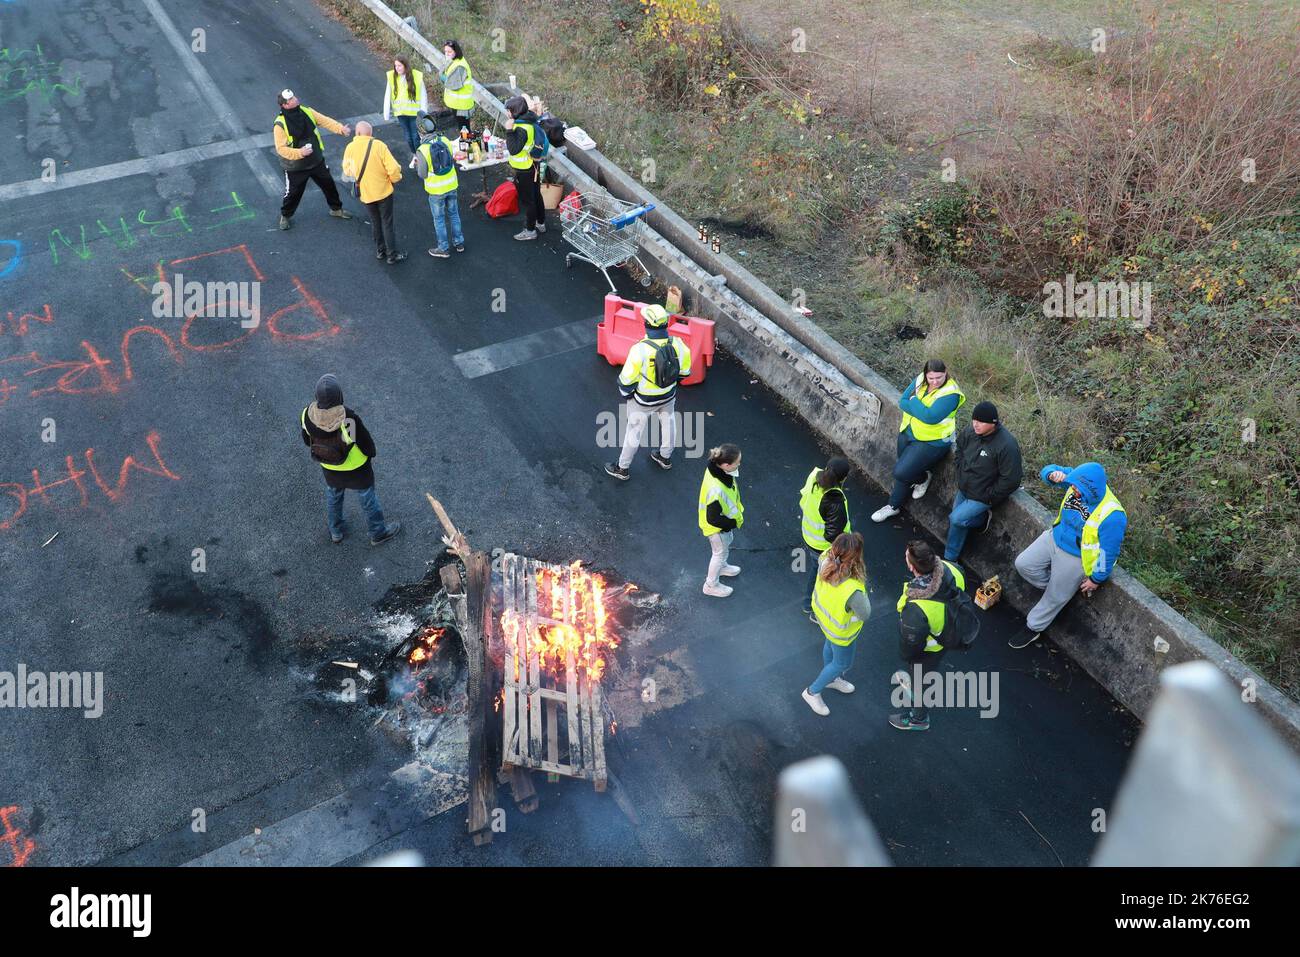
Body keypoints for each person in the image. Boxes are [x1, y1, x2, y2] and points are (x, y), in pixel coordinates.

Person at [1009, 462, 1127, 649]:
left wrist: (1096, 579)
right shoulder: (1077, 480)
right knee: (1023, 564)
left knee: (1055, 596)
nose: (1072, 489)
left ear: (1091, 491)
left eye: (1076, 489)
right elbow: (1047, 471)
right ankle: (1057, 593)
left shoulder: (1113, 516)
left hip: (1076, 556)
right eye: (1072, 485)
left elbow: (1109, 552)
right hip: (1054, 537)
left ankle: (1033, 627)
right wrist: (1051, 474)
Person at [300, 374, 401, 547]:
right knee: (367, 498)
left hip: (329, 466)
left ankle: (336, 531)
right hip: (357, 469)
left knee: (334, 495)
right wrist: (371, 453)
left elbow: (306, 440)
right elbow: (362, 441)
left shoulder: (307, 415)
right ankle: (378, 533)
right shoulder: (348, 418)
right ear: (339, 396)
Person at [891, 540, 978, 731]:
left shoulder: (915, 606)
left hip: (928, 649)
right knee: (924, 674)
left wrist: (907, 657)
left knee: (920, 681)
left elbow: (910, 643)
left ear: (912, 566)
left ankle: (919, 719)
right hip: (948, 635)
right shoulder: (952, 568)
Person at [604, 305, 692, 480]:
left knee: (634, 431)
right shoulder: (678, 344)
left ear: (646, 324)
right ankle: (665, 457)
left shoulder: (640, 349)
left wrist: (628, 395)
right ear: (666, 323)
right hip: (668, 395)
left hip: (643, 400)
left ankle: (622, 468)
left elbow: (626, 381)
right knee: (669, 422)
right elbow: (685, 372)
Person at [872, 358, 965, 522]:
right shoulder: (920, 379)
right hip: (908, 431)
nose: (935, 382)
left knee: (901, 471)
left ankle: (923, 479)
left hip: (933, 441)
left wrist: (914, 400)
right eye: (931, 378)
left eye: (939, 377)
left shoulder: (951, 395)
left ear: (946, 374)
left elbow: (930, 418)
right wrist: (920, 410)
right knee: (904, 470)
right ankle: (894, 506)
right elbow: (902, 402)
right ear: (925, 375)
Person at [801, 532, 871, 717]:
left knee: (830, 646)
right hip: (841, 631)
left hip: (825, 620)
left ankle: (832, 679)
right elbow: (865, 614)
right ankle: (812, 692)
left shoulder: (825, 557)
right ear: (855, 557)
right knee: (842, 662)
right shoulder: (852, 589)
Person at [943, 401, 1022, 561]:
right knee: (956, 523)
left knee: (956, 519)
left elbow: (1011, 479)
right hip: (965, 487)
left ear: (993, 423)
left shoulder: (1007, 445)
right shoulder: (970, 431)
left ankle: (950, 557)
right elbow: (959, 449)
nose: (975, 424)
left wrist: (989, 495)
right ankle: (951, 557)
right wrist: (960, 470)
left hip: (983, 495)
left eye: (981, 422)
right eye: (974, 420)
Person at [273, 89, 354, 230]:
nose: (295, 99)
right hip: (296, 167)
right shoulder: (279, 124)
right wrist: (300, 152)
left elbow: (324, 121)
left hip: (316, 161)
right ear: (285, 105)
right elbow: (281, 149)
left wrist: (341, 129)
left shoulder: (306, 111)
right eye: (291, 99)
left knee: (329, 185)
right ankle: (285, 215)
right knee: (293, 194)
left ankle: (336, 209)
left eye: (294, 96)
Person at [341, 121, 406, 264]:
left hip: (366, 194)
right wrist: (395, 179)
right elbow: (394, 169)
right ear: (370, 134)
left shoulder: (350, 148)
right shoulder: (379, 146)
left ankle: (380, 251)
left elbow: (347, 171)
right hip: (383, 192)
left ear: (357, 133)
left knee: (375, 222)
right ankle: (392, 255)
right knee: (387, 222)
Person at [798, 457, 852, 614]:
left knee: (817, 570)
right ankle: (811, 608)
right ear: (844, 478)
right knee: (822, 575)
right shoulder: (835, 500)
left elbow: (803, 499)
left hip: (809, 536)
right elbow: (833, 535)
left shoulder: (814, 475)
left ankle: (809, 605)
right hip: (822, 546)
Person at [411, 111, 465, 258]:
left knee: (439, 219)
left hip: (436, 191)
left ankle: (443, 248)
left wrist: (417, 165)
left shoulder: (422, 150)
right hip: (452, 185)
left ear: (421, 131)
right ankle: (459, 243)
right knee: (454, 215)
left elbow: (422, 174)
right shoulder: (445, 140)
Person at [697, 444, 743, 598]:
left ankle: (722, 567)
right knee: (719, 553)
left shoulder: (716, 470)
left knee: (724, 547)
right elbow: (713, 518)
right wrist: (730, 524)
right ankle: (710, 585)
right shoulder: (717, 488)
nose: (739, 464)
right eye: (737, 462)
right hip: (717, 529)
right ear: (726, 465)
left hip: (721, 528)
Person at [503, 95, 546, 241]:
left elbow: (514, 149)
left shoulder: (521, 128)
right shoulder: (530, 121)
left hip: (524, 169)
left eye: (508, 110)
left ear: (514, 111)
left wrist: (509, 130)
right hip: (533, 165)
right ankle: (540, 223)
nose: (507, 113)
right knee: (536, 195)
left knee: (528, 201)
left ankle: (530, 230)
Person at [382, 56, 428, 154]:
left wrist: (424, 113)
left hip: (414, 113)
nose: (397, 68)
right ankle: (415, 154)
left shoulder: (416, 76)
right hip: (401, 113)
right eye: (395, 66)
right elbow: (387, 95)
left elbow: (423, 95)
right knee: (408, 137)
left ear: (405, 66)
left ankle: (420, 155)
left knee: (415, 137)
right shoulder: (392, 77)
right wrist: (386, 114)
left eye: (399, 65)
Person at [439, 40, 474, 133]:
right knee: (462, 129)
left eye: (449, 52)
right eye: (445, 51)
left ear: (456, 51)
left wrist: (443, 78)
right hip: (456, 103)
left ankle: (468, 146)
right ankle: (466, 145)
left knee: (465, 130)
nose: (447, 54)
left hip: (462, 105)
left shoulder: (460, 65)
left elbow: (453, 84)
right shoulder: (453, 61)